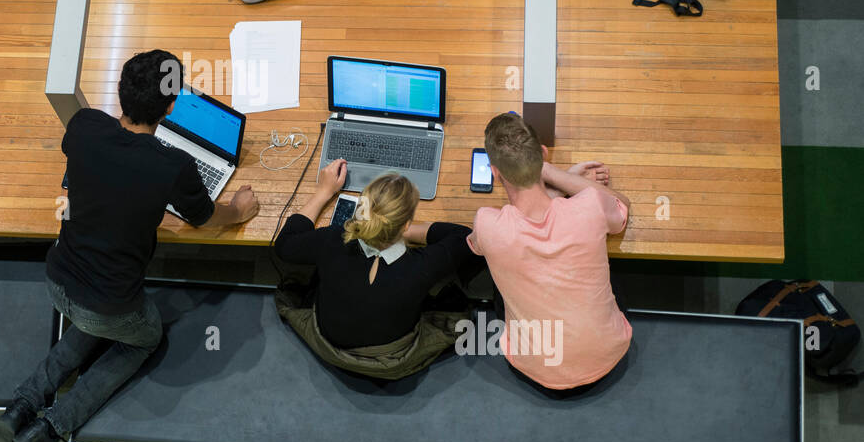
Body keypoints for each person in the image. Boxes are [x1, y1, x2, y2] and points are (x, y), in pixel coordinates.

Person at [0, 50, 259, 442]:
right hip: (109, 305)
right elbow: (206, 219)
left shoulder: (84, 126)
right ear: (172, 106)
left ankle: (21, 404)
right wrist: (240, 208)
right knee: (141, 337)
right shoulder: (172, 164)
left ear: (120, 92)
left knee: (90, 319)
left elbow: (91, 164)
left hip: (58, 277)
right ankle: (52, 426)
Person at [468, 112, 633, 398]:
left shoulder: (486, 224)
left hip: (532, 366)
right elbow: (621, 205)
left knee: (500, 268)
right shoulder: (590, 206)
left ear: (494, 171)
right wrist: (561, 177)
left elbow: (477, 244)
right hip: (608, 354)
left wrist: (553, 186)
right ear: (542, 154)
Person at [271, 162, 484, 381]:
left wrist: (323, 192)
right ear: (405, 224)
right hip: (390, 358)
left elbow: (285, 245)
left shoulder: (332, 241)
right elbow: (464, 237)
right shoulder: (423, 266)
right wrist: (404, 232)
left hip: (329, 341)